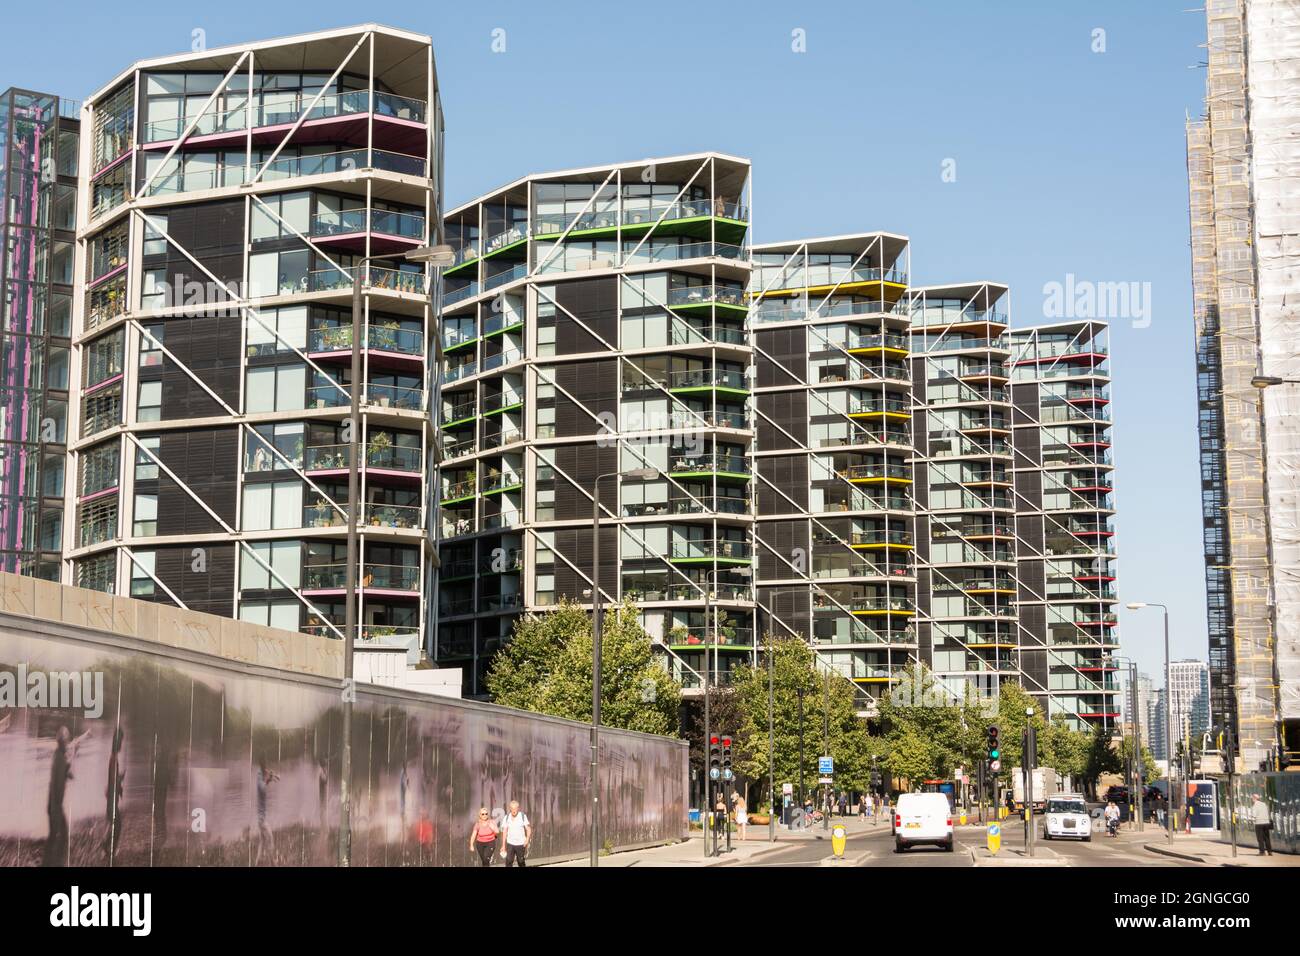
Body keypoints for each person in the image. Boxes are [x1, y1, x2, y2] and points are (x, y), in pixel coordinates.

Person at [499, 800, 531, 867]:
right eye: (512, 808)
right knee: (508, 861)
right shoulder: (506, 817)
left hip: (521, 843)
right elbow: (504, 832)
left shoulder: (522, 816)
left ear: (518, 808)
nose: (514, 810)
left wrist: (527, 839)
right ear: (510, 809)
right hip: (510, 843)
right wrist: (503, 845)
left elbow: (528, 829)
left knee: (521, 861)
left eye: (515, 808)